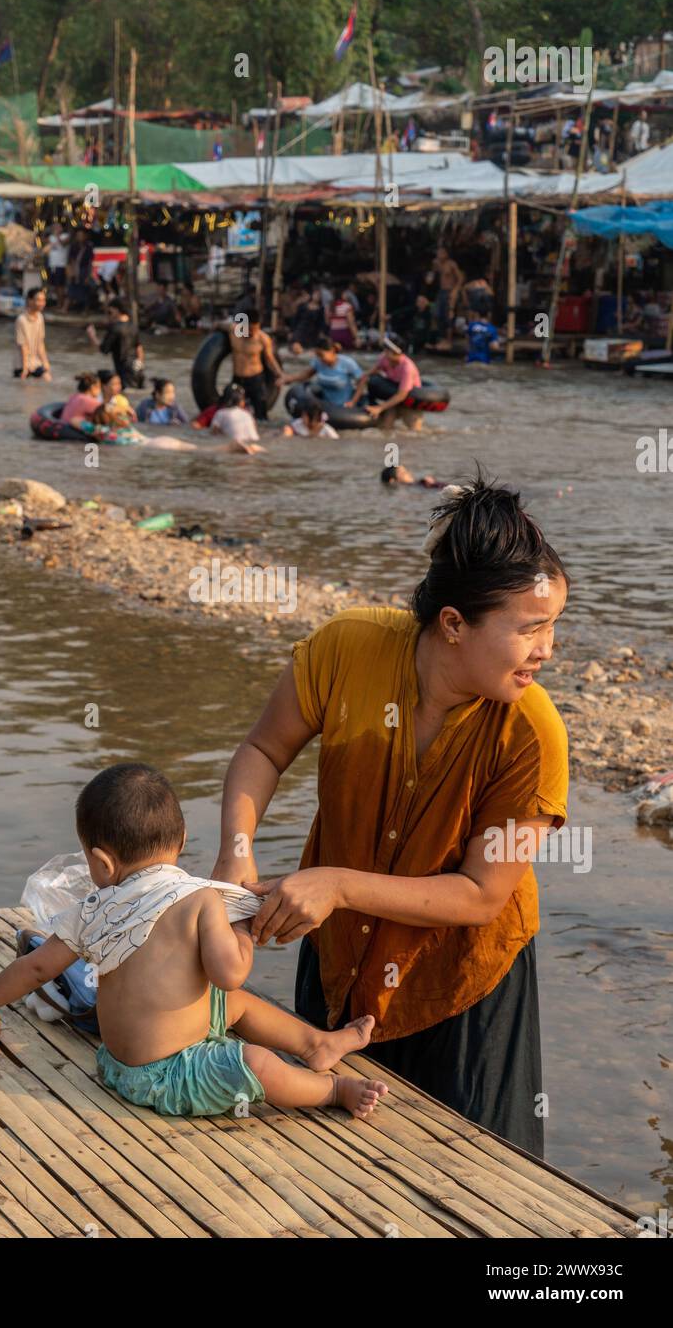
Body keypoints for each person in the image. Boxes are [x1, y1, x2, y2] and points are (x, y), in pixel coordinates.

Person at [211, 477, 570, 1155]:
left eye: (553, 625)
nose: (549, 649)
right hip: (342, 961)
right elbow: (264, 748)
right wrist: (236, 851)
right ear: (455, 625)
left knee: (481, 1183)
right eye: (531, 629)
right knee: (328, 1162)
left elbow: (479, 895)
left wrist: (336, 884)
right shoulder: (348, 649)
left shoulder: (532, 733)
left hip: (463, 987)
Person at [0, 764, 387, 1120]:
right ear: (183, 839)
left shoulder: (94, 906)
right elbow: (229, 971)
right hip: (170, 1077)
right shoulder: (202, 899)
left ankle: (315, 1044)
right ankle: (331, 1091)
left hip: (116, 1064)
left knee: (235, 1006)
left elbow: (35, 969)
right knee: (257, 1062)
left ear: (102, 863)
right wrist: (243, 929)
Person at [349, 333, 424, 430]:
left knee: (414, 433)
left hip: (409, 400)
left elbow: (402, 395)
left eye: (387, 350)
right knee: (386, 430)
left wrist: (379, 408)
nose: (384, 352)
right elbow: (368, 375)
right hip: (392, 398)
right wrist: (353, 401)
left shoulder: (407, 368)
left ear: (396, 352)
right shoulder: (384, 358)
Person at [226, 309, 283, 422]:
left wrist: (280, 374)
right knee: (230, 411)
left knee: (261, 416)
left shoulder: (263, 338)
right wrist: (215, 325)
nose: (253, 332)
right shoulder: (233, 331)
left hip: (255, 379)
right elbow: (220, 325)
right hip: (237, 378)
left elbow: (270, 360)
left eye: (255, 328)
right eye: (250, 329)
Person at [284, 336, 363, 414]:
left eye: (321, 355)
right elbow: (306, 375)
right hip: (325, 405)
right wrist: (289, 379)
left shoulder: (347, 363)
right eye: (317, 355)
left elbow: (363, 379)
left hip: (343, 407)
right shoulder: (318, 362)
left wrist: (353, 401)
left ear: (332, 351)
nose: (319, 358)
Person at [88, 298, 144, 389]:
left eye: (110, 311)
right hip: (137, 368)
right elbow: (139, 348)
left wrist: (92, 336)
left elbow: (103, 350)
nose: (109, 315)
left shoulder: (114, 328)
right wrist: (140, 364)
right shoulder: (133, 326)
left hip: (123, 369)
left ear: (117, 310)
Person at [210, 383, 264, 454]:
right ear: (241, 402)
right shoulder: (247, 414)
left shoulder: (220, 413)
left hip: (237, 443)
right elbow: (254, 429)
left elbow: (214, 433)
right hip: (255, 440)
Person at [14, 287, 52, 381]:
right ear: (30, 301)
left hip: (36, 363)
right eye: (38, 300)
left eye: (43, 300)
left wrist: (45, 362)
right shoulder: (21, 320)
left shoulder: (40, 318)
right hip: (21, 364)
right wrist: (25, 368)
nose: (42, 303)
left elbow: (40, 343)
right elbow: (23, 345)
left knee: (47, 380)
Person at [432, 246, 464, 349]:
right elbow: (432, 277)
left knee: (448, 316)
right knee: (437, 314)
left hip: (450, 291)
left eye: (441, 253)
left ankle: (449, 340)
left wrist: (455, 291)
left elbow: (460, 278)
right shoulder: (437, 264)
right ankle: (442, 338)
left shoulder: (451, 264)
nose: (439, 255)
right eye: (438, 253)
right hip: (441, 291)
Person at [65, 228, 94, 313]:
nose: (79, 237)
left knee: (85, 290)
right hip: (75, 270)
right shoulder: (73, 246)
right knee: (71, 289)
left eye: (81, 235)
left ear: (85, 236)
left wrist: (89, 275)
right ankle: (65, 308)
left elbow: (90, 262)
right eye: (78, 235)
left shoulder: (89, 247)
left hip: (84, 270)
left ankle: (85, 309)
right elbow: (70, 260)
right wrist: (71, 271)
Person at [45, 223, 70, 309]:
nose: (56, 228)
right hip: (52, 265)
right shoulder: (51, 237)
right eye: (54, 227)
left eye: (58, 227)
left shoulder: (65, 236)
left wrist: (58, 236)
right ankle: (58, 303)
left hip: (61, 265)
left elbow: (63, 244)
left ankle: (61, 304)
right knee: (55, 285)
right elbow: (45, 246)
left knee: (60, 286)